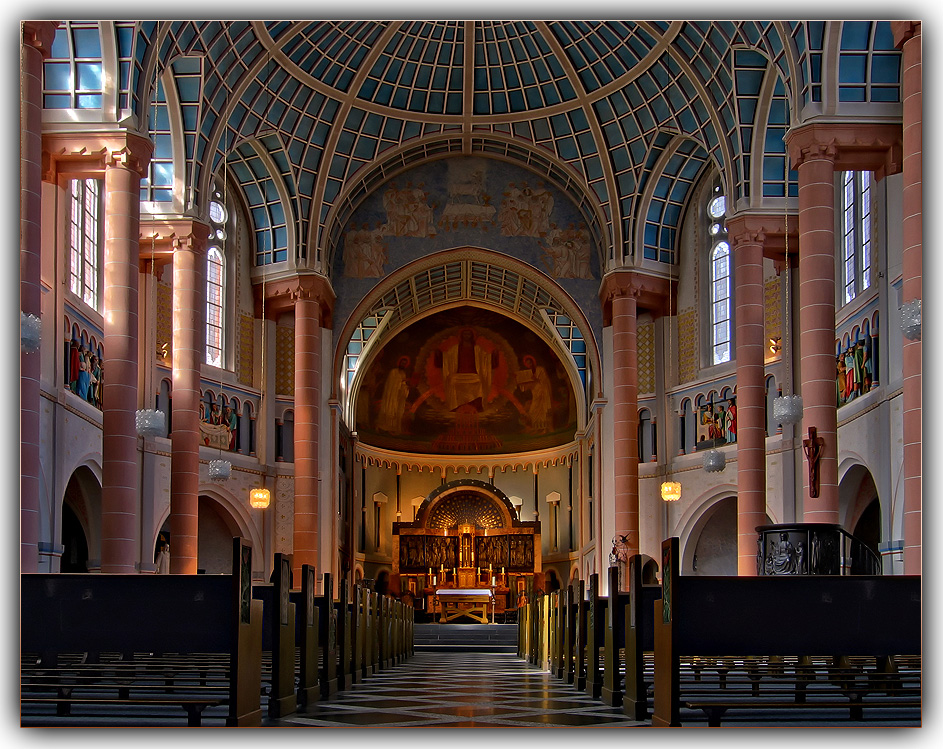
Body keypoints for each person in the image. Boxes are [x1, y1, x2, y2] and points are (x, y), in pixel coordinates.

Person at [441, 328, 495, 412]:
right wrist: (439, 354)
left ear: (472, 336)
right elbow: (446, 358)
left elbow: (486, 359)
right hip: (458, 375)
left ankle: (476, 406)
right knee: (452, 381)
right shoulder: (455, 349)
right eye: (465, 334)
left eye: (469, 334)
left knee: (479, 382)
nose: (467, 336)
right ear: (461, 336)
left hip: (473, 375)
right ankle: (456, 407)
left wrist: (493, 355)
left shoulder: (478, 349)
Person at [376, 356, 411, 434]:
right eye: (402, 363)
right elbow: (391, 384)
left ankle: (392, 429)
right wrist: (401, 382)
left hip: (398, 397)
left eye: (405, 364)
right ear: (399, 363)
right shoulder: (393, 372)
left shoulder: (403, 374)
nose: (403, 365)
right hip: (391, 396)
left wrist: (406, 387)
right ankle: (385, 428)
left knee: (397, 412)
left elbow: (403, 385)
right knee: (390, 410)